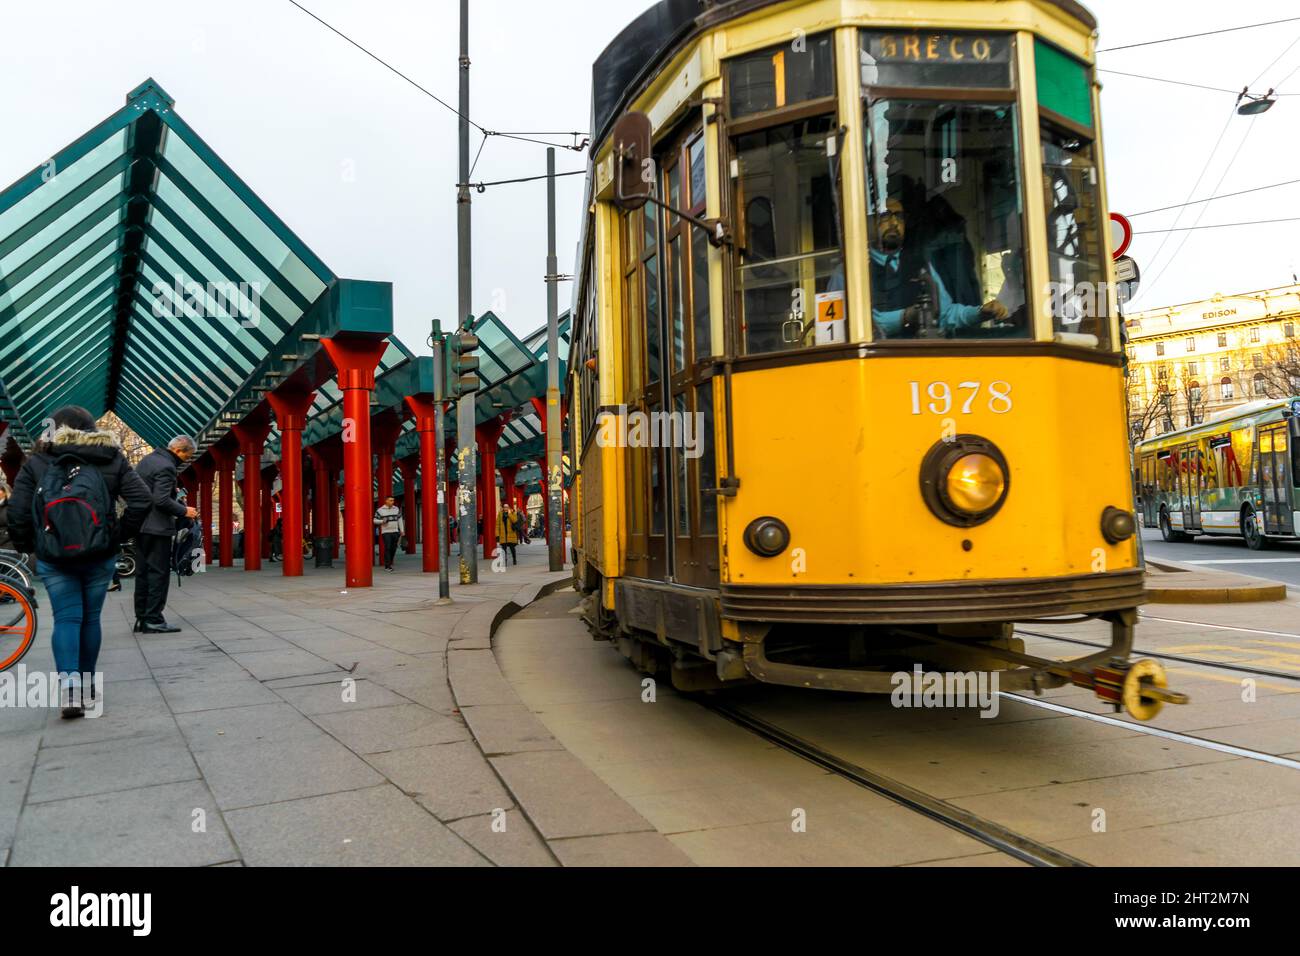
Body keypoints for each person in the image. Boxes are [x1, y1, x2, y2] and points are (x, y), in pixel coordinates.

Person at [7, 405, 150, 718]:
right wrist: (115, 536)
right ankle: (86, 686)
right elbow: (142, 501)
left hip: (53, 557)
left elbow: (17, 511)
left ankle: (69, 687)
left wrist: (32, 546)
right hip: (99, 555)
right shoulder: (111, 458)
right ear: (92, 429)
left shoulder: (39, 462)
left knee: (66, 618)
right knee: (91, 618)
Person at [829, 196, 1008, 338]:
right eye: (885, 216)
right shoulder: (847, 272)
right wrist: (906, 317)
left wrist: (980, 312)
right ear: (868, 223)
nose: (893, 223)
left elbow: (946, 314)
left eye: (899, 217)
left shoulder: (921, 265)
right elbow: (850, 326)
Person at [133, 436, 198, 634]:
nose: (187, 459)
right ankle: (154, 619)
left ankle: (142, 617)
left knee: (143, 573)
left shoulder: (147, 461)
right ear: (179, 451)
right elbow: (160, 500)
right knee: (159, 574)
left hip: (140, 525)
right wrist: (184, 510)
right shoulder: (167, 467)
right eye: (188, 455)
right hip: (157, 527)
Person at [373, 496, 403, 572]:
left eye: (393, 500)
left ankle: (389, 561)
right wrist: (382, 521)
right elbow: (374, 520)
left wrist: (402, 530)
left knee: (394, 548)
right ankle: (387, 566)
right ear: (386, 501)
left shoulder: (396, 509)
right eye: (390, 500)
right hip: (386, 532)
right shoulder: (380, 510)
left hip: (395, 531)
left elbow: (400, 520)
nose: (392, 502)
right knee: (388, 547)